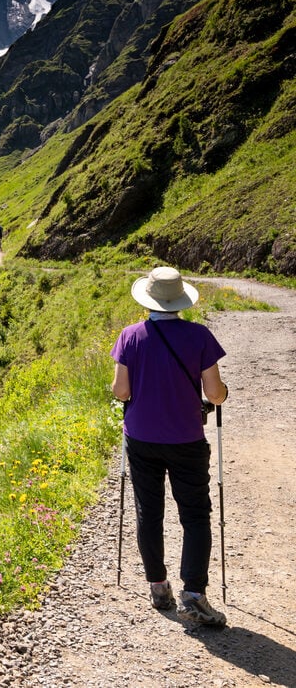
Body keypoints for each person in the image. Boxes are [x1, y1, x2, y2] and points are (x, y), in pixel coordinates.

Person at [110, 266, 229, 626]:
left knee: (150, 512)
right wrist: (223, 395)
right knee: (194, 515)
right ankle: (193, 593)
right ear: (180, 302)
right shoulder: (200, 337)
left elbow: (121, 392)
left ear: (149, 300)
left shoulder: (130, 336)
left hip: (142, 438)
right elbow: (214, 394)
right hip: (187, 439)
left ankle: (158, 587)